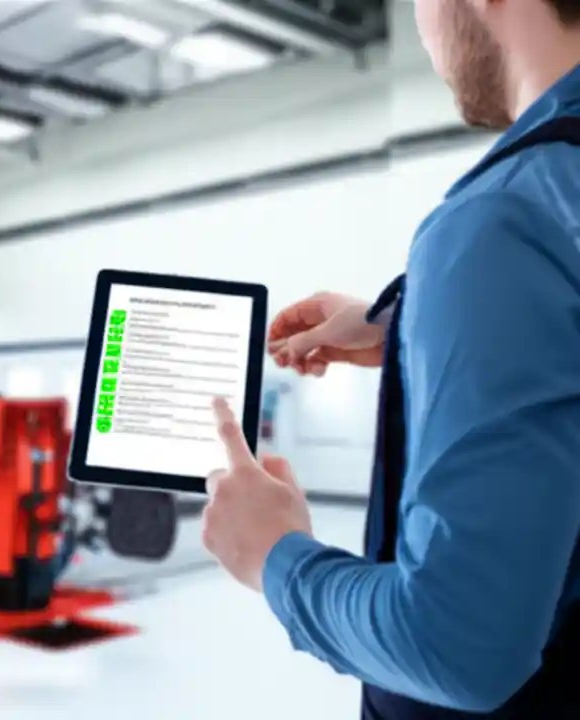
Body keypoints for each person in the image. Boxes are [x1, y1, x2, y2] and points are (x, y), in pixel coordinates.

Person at [199, 0, 580, 717]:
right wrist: (413, 324)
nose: (420, 23)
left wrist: (276, 556)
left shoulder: (501, 222)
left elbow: (459, 646)